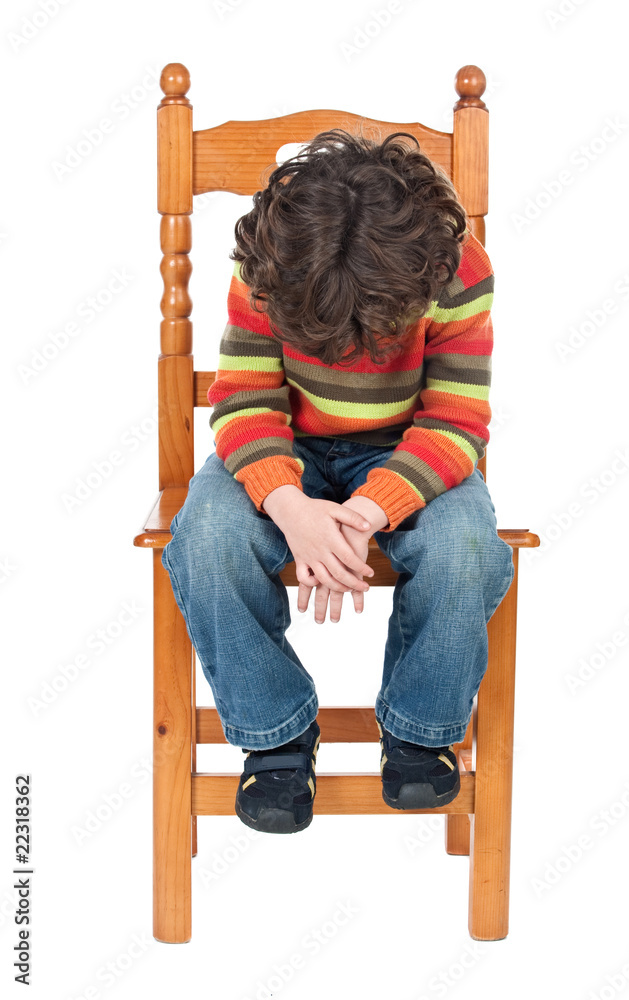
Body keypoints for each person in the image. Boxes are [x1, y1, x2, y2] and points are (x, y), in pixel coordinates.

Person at [161, 128, 515, 835]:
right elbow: (245, 399)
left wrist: (363, 514)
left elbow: (454, 420)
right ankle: (276, 737)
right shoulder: (272, 258)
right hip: (282, 445)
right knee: (206, 539)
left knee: (466, 548)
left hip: (413, 453)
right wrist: (290, 506)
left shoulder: (457, 268)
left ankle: (419, 732)